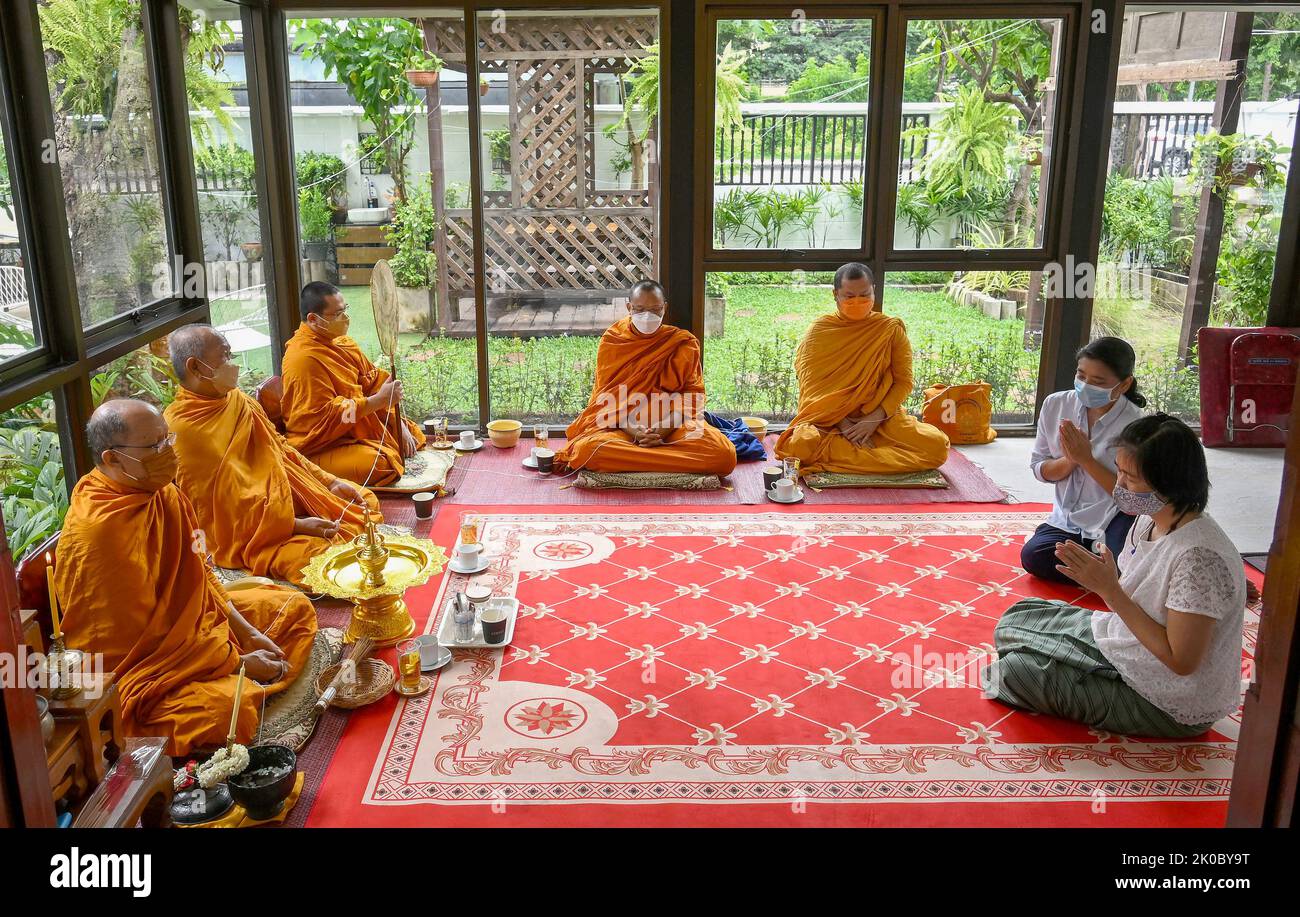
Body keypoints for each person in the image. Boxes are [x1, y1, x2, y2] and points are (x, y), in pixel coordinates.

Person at [55, 399, 318, 757]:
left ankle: (239, 674)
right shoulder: (100, 534)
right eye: (155, 446)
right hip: (150, 672)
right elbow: (135, 649)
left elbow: (201, 572)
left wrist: (247, 632)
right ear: (112, 459)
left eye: (168, 440)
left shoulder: (160, 489)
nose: (168, 453)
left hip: (198, 631)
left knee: (293, 606)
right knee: (230, 711)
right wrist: (236, 661)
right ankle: (235, 682)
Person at [983, 415, 1245, 738]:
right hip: (1127, 641)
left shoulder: (1199, 559)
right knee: (1016, 617)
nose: (1118, 485)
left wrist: (1111, 591)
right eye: (1119, 470)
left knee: (1007, 674)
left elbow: (1182, 662)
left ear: (1169, 483)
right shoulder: (1153, 517)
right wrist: (1109, 581)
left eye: (1130, 478)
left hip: (1167, 699)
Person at [165, 324, 382, 586]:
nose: (231, 364)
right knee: (320, 558)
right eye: (225, 356)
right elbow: (221, 511)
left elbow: (280, 447)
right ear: (195, 367)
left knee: (363, 502)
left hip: (282, 495)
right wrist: (295, 525)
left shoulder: (237, 399)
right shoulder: (184, 430)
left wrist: (328, 482)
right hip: (253, 531)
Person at [774, 263, 949, 475]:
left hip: (881, 417)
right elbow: (812, 389)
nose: (857, 301)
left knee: (937, 447)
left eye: (864, 294)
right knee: (801, 445)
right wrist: (845, 425)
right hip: (831, 421)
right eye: (849, 296)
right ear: (835, 295)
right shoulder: (820, 331)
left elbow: (903, 381)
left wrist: (874, 420)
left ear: (874, 291)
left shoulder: (889, 330)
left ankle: (844, 455)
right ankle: (868, 455)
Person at [556, 280, 737, 475]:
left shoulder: (682, 343)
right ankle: (675, 462)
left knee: (724, 455)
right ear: (629, 308)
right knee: (586, 451)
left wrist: (662, 430)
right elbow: (607, 400)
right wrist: (637, 432)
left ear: (664, 308)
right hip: (624, 428)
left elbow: (692, 397)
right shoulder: (614, 341)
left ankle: (635, 461)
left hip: (674, 425)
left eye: (655, 309)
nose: (647, 316)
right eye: (640, 309)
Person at [1021, 336, 1146, 583]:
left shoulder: (1137, 425)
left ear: (1123, 385)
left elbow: (1134, 500)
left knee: (1123, 568)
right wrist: (1071, 460)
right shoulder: (1056, 405)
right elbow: (1039, 469)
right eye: (1081, 376)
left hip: (1113, 517)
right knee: (1033, 556)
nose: (1086, 385)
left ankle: (1107, 569)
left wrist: (1087, 460)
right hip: (1067, 519)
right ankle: (1102, 571)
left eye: (1098, 382)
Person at [280, 281, 425, 486]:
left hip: (356, 426)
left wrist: (398, 423)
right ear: (313, 319)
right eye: (337, 314)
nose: (345, 318)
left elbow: (374, 381)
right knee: (381, 464)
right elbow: (323, 418)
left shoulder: (341, 343)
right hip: (320, 445)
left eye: (345, 310)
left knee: (411, 435)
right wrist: (378, 401)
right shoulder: (303, 359)